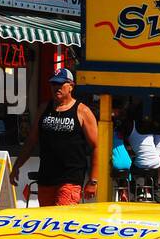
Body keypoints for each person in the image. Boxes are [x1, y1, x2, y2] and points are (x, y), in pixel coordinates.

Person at [9, 67, 97, 206]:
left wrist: (93, 180)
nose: (56, 88)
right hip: (46, 177)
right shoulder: (44, 108)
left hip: (71, 178)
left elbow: (96, 146)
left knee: (61, 221)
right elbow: (31, 141)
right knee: (47, 222)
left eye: (60, 84)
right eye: (53, 84)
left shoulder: (82, 111)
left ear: (71, 86)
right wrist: (16, 166)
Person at [127, 115, 160, 202]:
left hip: (141, 166)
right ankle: (157, 196)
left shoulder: (131, 130)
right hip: (156, 163)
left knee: (130, 166)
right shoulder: (150, 132)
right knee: (153, 179)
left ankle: (138, 191)